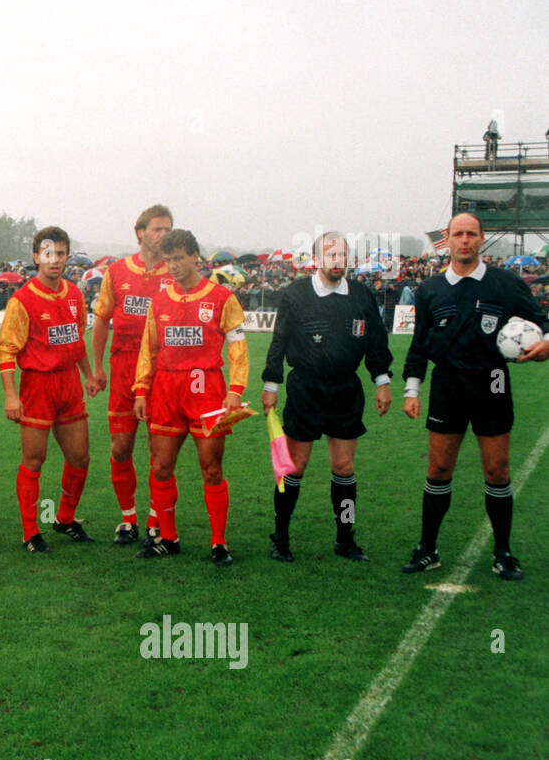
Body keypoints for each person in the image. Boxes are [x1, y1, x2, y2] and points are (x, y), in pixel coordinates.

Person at [400, 212, 549, 580]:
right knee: (438, 469)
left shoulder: (504, 283)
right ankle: (427, 549)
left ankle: (503, 552)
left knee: (497, 472)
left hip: (493, 383)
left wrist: (547, 341)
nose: (464, 240)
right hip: (448, 385)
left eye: (471, 234)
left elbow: (542, 319)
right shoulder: (430, 289)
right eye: (458, 234)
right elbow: (419, 344)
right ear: (447, 240)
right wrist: (412, 389)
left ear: (481, 238)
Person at [261, 231, 392, 563]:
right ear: (317, 259)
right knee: (295, 466)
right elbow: (278, 341)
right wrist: (271, 385)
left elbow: (377, 343)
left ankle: (345, 538)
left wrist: (382, 381)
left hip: (346, 390)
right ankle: (281, 536)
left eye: (342, 255)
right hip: (305, 389)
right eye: (330, 255)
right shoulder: (296, 294)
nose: (337, 261)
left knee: (344, 467)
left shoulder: (361, 295)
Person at [132, 229, 248, 565]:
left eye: (178, 258)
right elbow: (148, 350)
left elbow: (238, 348)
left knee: (211, 468)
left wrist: (235, 390)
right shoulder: (160, 301)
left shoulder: (223, 299)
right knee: (161, 466)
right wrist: (141, 389)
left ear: (195, 256)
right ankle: (168, 538)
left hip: (207, 393)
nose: (172, 265)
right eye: (167, 260)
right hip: (166, 392)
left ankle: (218, 542)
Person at [0, 227, 101, 552]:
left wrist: (88, 374)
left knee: (80, 457)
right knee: (34, 459)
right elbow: (6, 350)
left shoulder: (73, 294)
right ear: (35, 256)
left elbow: (75, 340)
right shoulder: (22, 300)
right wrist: (11, 396)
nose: (54, 260)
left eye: (59, 253)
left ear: (67, 256)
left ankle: (65, 518)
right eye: (47, 253)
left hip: (69, 383)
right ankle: (31, 532)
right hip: (38, 386)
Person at [90, 204, 175, 547]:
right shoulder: (117, 271)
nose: (162, 235)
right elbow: (101, 319)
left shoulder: (177, 270)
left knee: (160, 451)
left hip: (162, 372)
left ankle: (156, 519)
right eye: (157, 229)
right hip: (124, 367)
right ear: (140, 232)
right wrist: (97, 368)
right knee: (121, 447)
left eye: (168, 229)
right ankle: (128, 519)